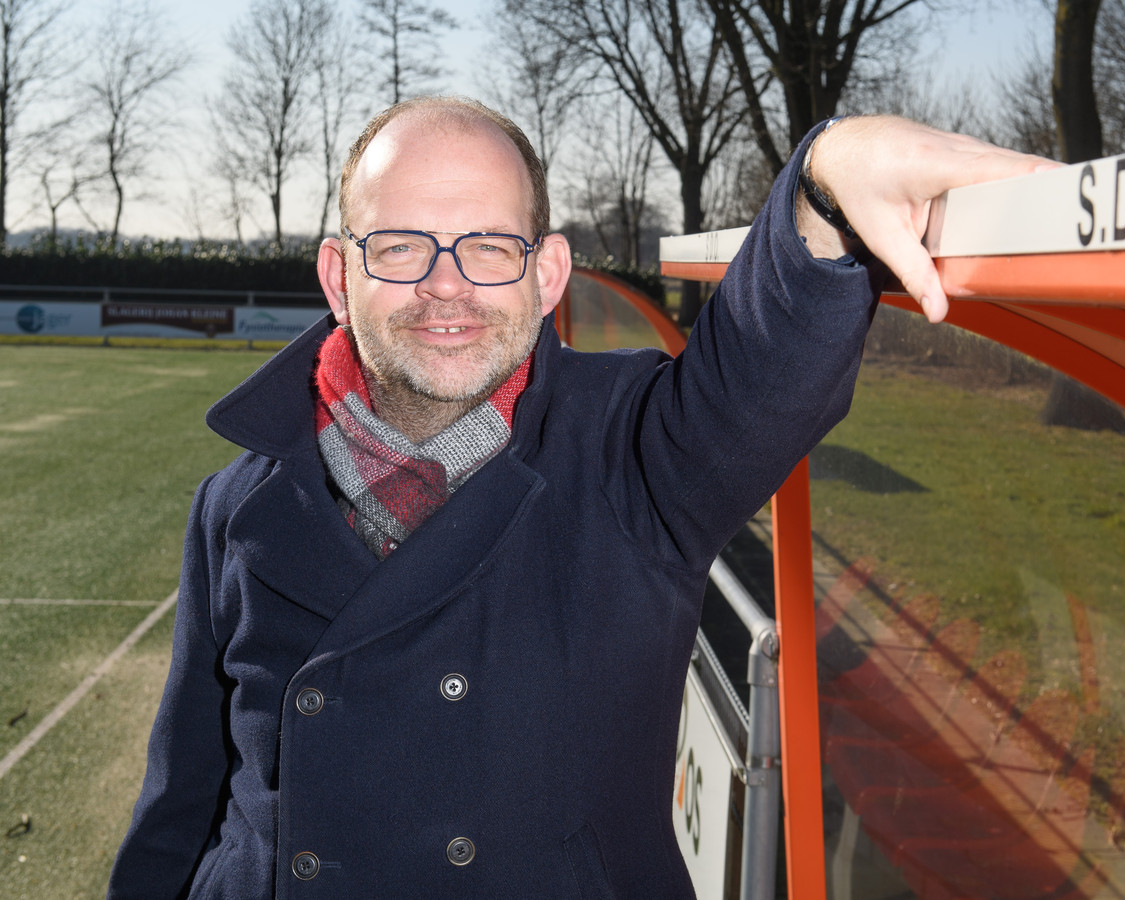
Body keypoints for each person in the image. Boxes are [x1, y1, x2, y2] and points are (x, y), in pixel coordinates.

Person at [108, 96, 1044, 898]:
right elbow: (183, 805)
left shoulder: (637, 452)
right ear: (337, 275)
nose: (446, 287)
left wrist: (826, 178)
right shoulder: (234, 506)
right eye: (399, 247)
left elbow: (765, 373)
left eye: (489, 247)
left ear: (547, 273)